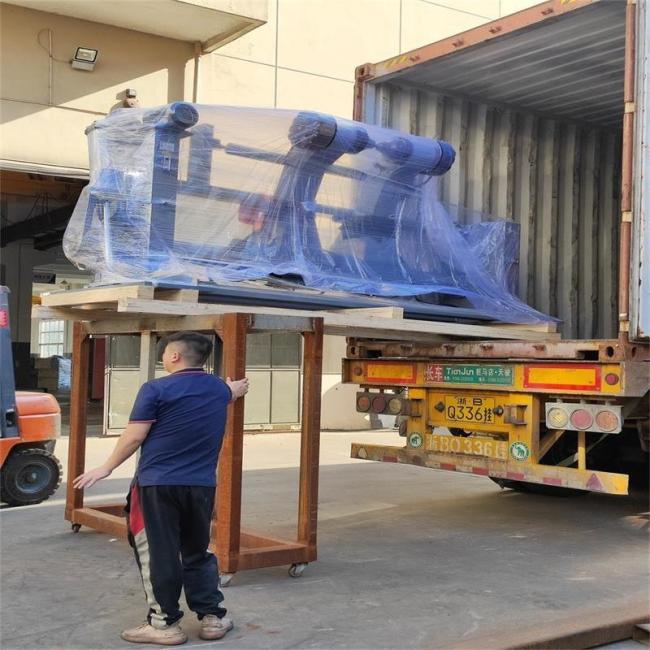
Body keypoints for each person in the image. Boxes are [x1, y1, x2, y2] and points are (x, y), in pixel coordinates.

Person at [74, 331, 249, 646]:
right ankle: (213, 617)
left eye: (165, 353)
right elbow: (230, 391)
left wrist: (106, 467)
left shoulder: (155, 389)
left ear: (175, 356)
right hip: (201, 486)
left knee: (158, 552)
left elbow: (134, 436)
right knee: (197, 550)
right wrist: (236, 388)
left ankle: (164, 624)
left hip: (157, 485)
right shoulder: (217, 389)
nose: (163, 358)